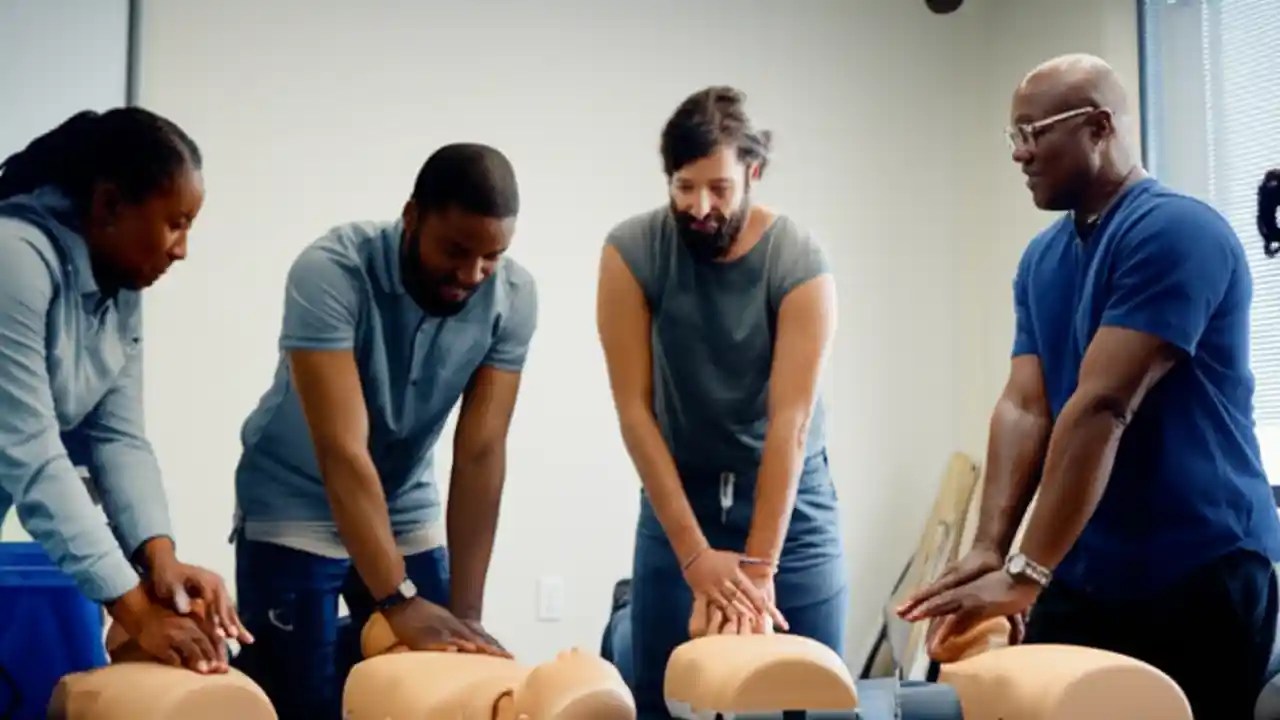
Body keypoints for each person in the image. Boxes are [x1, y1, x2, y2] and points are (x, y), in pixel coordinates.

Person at [897, 54, 1280, 719]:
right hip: (1085, 570)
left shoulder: (1176, 232)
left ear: (1098, 127)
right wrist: (992, 552)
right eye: (1012, 136)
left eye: (1032, 132)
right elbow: (1024, 407)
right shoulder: (1042, 259)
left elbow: (1103, 406)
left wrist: (1026, 572)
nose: (1018, 153)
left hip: (1198, 567)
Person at [229, 143, 537, 720]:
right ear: (412, 215)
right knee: (305, 699)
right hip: (295, 497)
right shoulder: (329, 271)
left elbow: (481, 453)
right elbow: (341, 450)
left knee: (442, 683)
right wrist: (396, 598)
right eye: (456, 251)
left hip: (403, 498)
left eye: (491, 257)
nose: (471, 275)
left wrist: (467, 616)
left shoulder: (513, 297)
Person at [596, 86, 847, 719]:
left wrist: (760, 568)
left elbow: (790, 425)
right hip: (681, 491)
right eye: (683, 188)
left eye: (719, 188)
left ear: (753, 173)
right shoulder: (631, 252)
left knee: (807, 695)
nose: (700, 206)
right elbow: (634, 411)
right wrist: (691, 553)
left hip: (791, 498)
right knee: (659, 693)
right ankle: (628, 618)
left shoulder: (798, 260)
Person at [0, 108, 249, 674]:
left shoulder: (117, 283)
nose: (182, 249)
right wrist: (136, 612)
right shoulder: (12, 256)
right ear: (110, 204)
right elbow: (31, 452)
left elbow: (118, 437)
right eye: (175, 223)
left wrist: (160, 559)